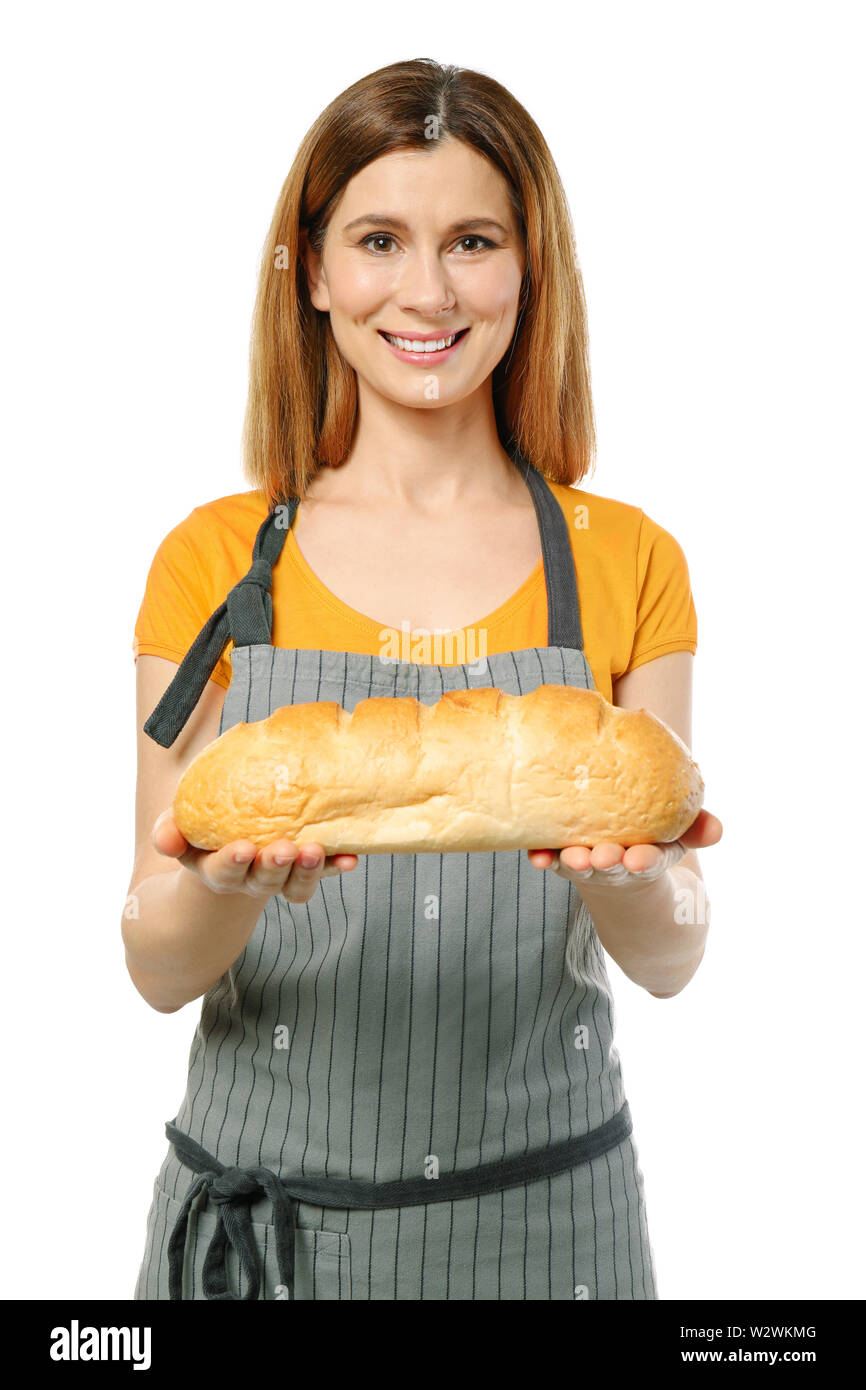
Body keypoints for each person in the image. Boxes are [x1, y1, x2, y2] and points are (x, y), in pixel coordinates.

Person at [125, 57, 722, 1301]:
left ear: (527, 268)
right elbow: (156, 962)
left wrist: (635, 880)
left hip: (552, 1236)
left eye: (472, 240)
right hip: (266, 1243)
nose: (426, 289)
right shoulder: (213, 564)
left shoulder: (626, 560)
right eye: (379, 239)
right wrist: (226, 885)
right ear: (311, 270)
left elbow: (669, 960)